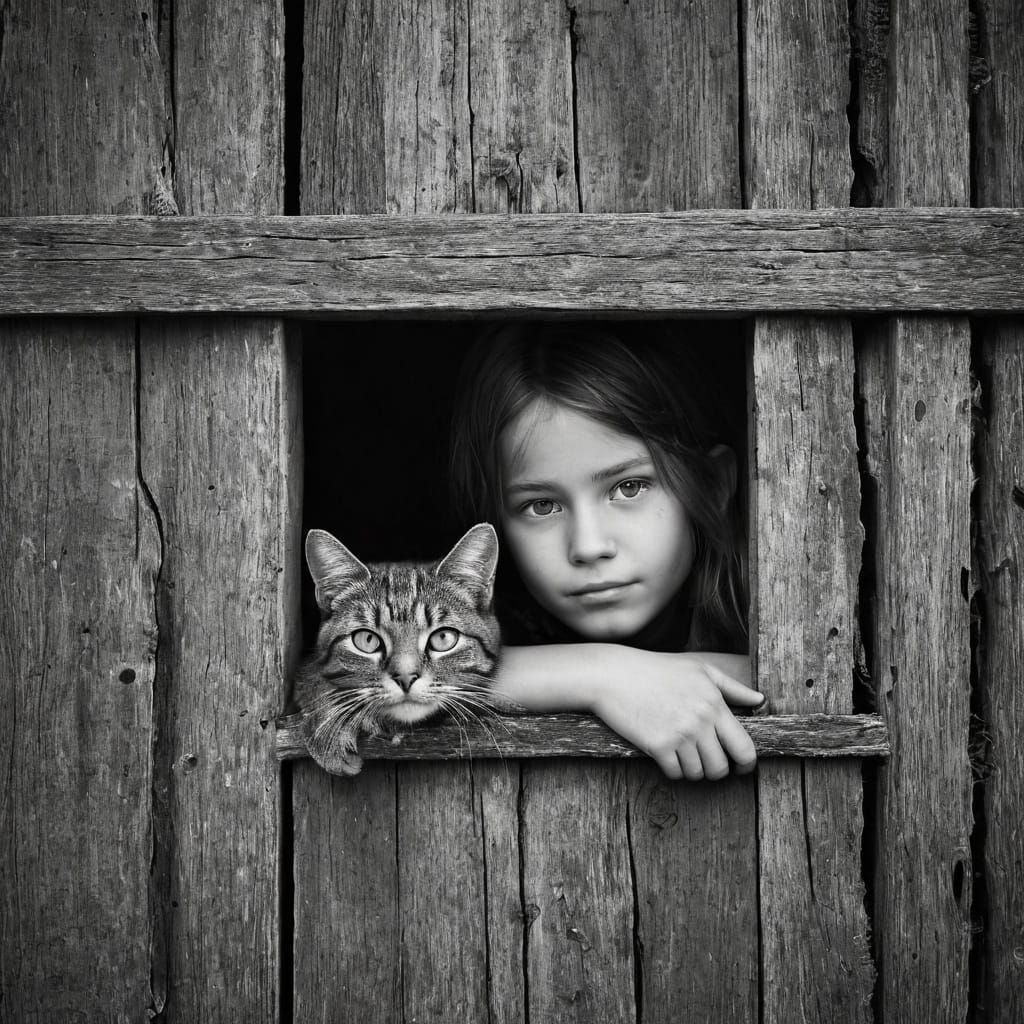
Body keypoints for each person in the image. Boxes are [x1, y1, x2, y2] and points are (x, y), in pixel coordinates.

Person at [449, 322, 765, 780]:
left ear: (712, 485)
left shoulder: (763, 609)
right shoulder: (487, 620)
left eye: (629, 487)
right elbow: (340, 678)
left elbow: (822, 683)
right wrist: (603, 674)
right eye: (541, 505)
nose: (589, 546)